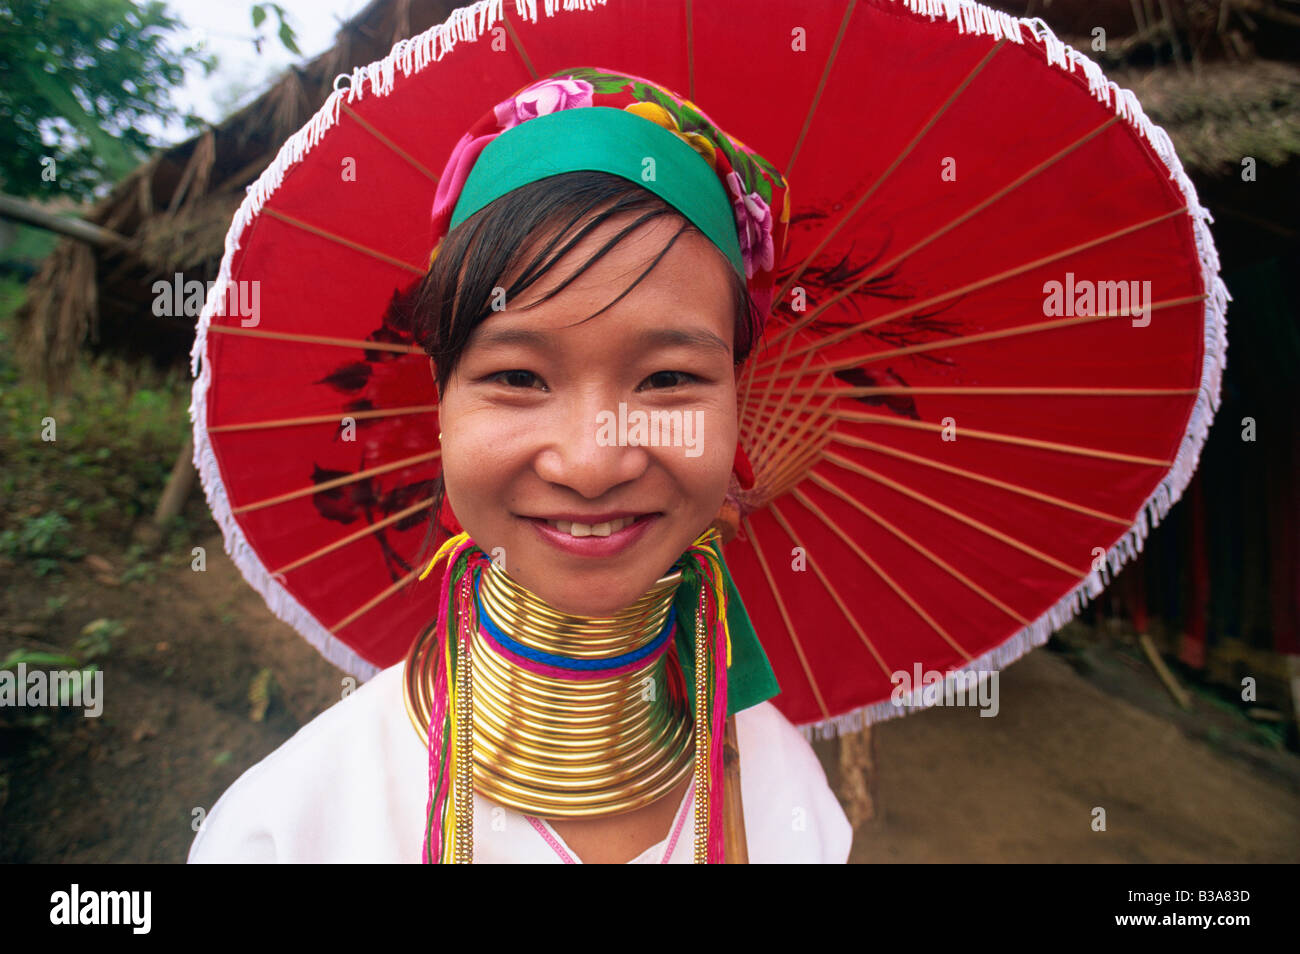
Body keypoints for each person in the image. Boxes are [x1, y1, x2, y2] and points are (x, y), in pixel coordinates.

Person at [188, 70, 852, 864]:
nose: (591, 463)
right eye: (517, 378)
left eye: (669, 379)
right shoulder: (292, 831)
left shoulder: (790, 792)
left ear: (736, 408)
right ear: (439, 405)